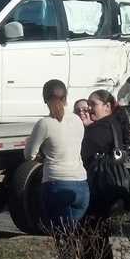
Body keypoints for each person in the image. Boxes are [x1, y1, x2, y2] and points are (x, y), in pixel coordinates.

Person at [24, 79, 89, 232]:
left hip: (56, 184)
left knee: (62, 239)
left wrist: (30, 144)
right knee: (78, 236)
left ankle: (69, 257)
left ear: (44, 99)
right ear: (66, 98)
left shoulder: (44, 124)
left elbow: (29, 155)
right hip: (81, 185)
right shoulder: (78, 120)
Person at [80, 89, 130, 220]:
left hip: (100, 186)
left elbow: (80, 151)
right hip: (113, 184)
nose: (89, 108)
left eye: (93, 104)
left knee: (93, 224)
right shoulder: (113, 123)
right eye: (88, 104)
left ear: (107, 106)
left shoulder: (100, 128)